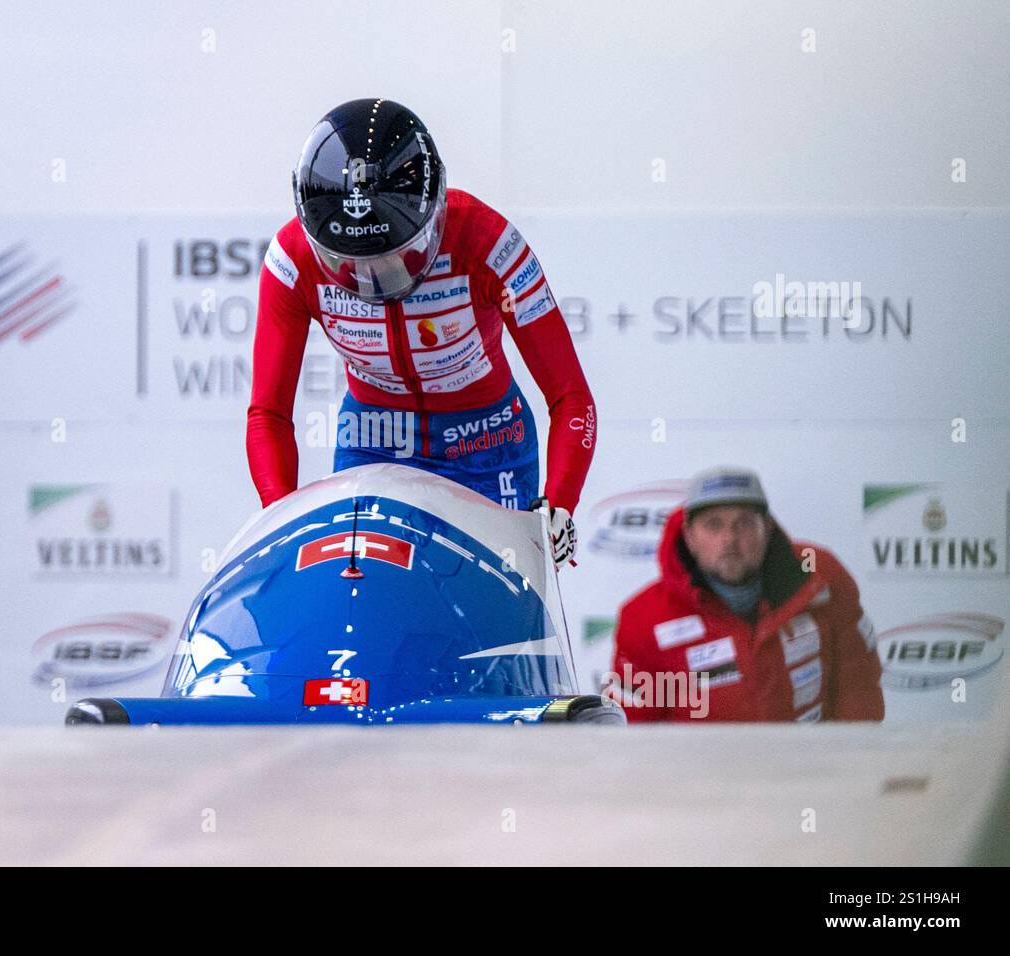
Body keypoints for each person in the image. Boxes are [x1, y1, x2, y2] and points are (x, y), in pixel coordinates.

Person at [247, 98, 597, 566]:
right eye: (347, 263)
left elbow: (571, 396)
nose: (372, 279)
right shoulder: (291, 263)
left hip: (489, 444)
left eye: (397, 255)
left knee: (488, 610)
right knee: (366, 599)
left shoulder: (489, 243)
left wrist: (560, 503)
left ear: (435, 217)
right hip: (373, 437)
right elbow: (268, 412)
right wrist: (280, 514)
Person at [609, 466, 883, 722]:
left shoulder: (820, 577)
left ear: (767, 529)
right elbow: (632, 732)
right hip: (700, 774)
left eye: (743, 524)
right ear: (689, 537)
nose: (729, 538)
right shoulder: (643, 619)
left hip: (811, 769)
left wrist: (849, 762)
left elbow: (858, 683)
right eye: (713, 525)